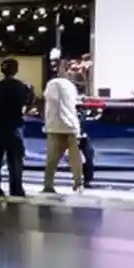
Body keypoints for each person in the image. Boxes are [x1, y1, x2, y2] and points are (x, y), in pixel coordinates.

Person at [0, 58, 33, 197]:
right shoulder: (21, 86)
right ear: (15, 70)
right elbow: (29, 102)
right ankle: (16, 188)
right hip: (14, 125)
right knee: (15, 159)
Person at [42, 62, 84, 193]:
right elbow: (75, 104)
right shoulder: (71, 86)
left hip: (55, 126)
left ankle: (48, 185)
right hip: (71, 126)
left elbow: (49, 100)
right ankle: (78, 181)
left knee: (52, 159)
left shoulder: (52, 84)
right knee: (75, 157)